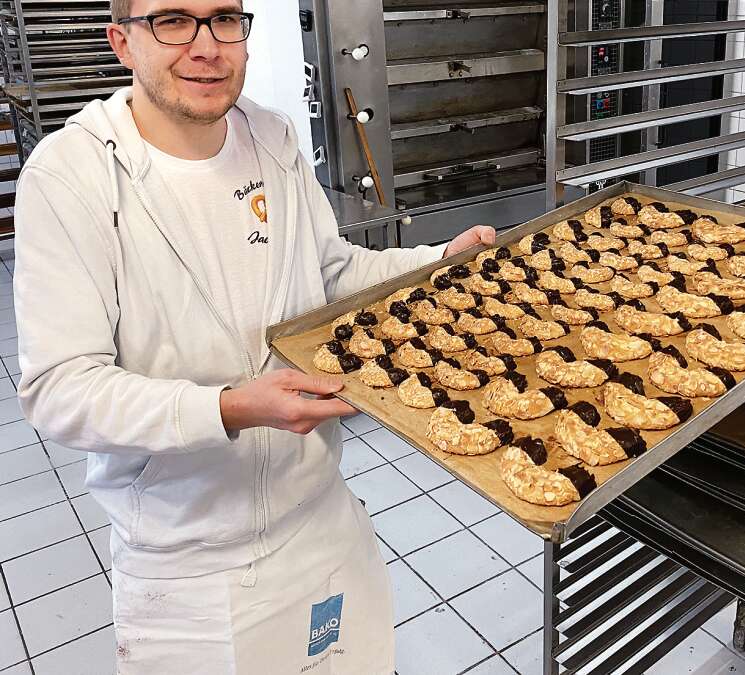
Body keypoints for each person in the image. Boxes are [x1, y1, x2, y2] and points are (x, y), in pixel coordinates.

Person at [13, 1, 495, 673]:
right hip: (191, 562)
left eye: (224, 19)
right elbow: (61, 389)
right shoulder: (73, 176)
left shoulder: (270, 137)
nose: (206, 46)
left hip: (320, 519)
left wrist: (437, 263)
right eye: (173, 20)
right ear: (122, 42)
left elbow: (332, 275)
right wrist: (231, 408)